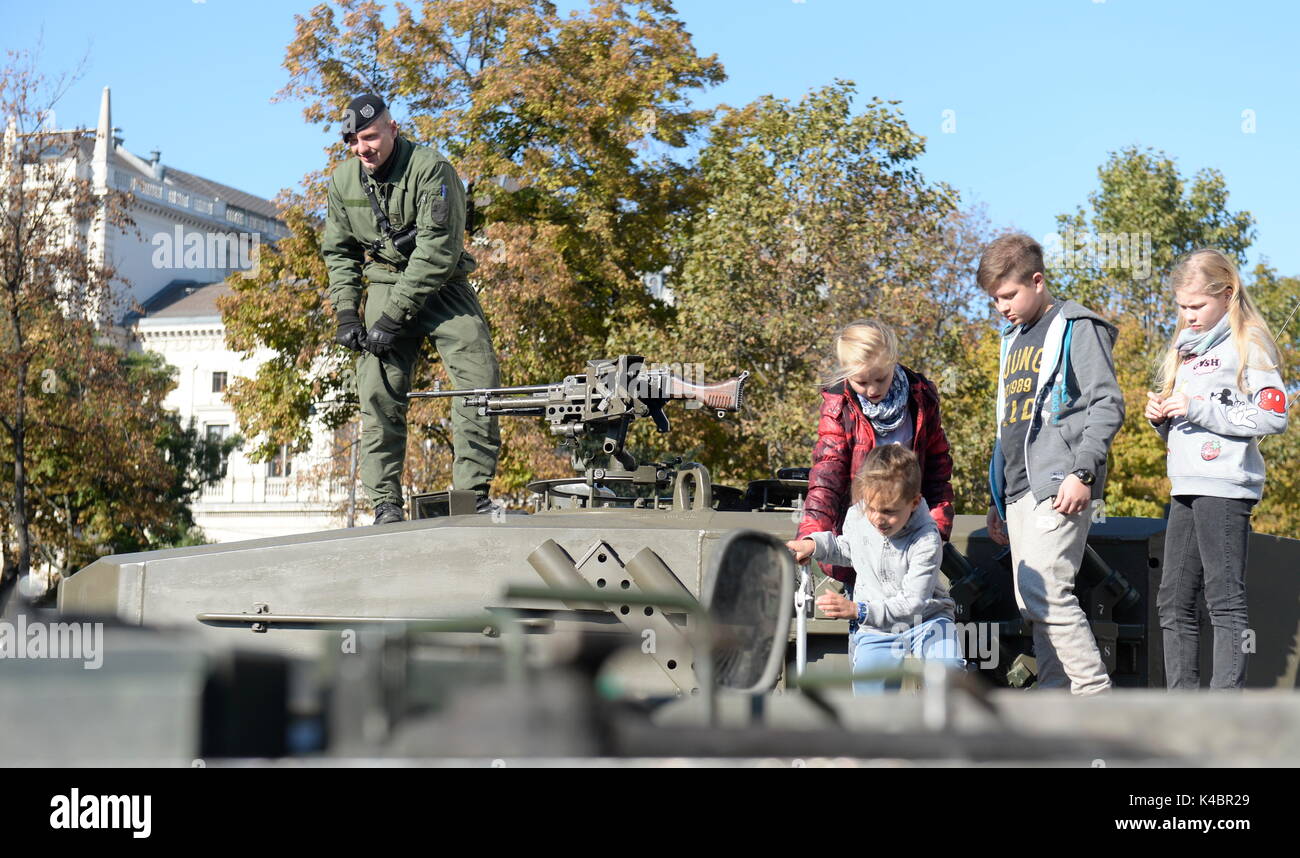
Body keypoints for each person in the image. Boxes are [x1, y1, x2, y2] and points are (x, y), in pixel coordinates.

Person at [322, 94, 500, 525]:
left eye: (370, 136)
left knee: (479, 382)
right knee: (378, 392)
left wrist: (391, 318)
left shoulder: (431, 169)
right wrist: (347, 312)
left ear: (392, 129)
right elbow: (339, 252)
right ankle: (385, 503)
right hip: (384, 283)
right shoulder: (343, 182)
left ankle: (471, 496)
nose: (363, 148)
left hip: (443, 287)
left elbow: (437, 252)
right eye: (353, 141)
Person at [982, 233, 1123, 695]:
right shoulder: (1013, 338)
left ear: (1037, 281)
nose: (1001, 306)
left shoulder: (1077, 326)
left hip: (1061, 481)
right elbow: (1011, 422)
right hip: (1019, 490)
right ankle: (1054, 707)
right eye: (994, 299)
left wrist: (1084, 472)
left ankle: (1093, 697)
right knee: (1031, 601)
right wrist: (998, 498)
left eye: (1008, 295)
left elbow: (1106, 403)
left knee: (1047, 592)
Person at [1147, 249, 1288, 689]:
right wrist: (1162, 419)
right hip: (1185, 484)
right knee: (1172, 601)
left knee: (1223, 601)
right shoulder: (1185, 350)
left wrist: (1198, 407)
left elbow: (1272, 417)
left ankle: (1222, 708)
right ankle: (1182, 710)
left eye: (1196, 306)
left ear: (1227, 295)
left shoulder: (1251, 341)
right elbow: (1188, 427)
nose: (1187, 315)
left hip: (1226, 486)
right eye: (1181, 306)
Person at [795, 319, 955, 593]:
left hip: (911, 532)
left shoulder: (921, 398)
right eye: (861, 382)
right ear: (847, 375)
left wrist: (937, 529)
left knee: (914, 612)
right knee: (866, 618)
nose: (872, 390)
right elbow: (827, 478)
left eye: (881, 378)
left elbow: (937, 470)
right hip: (864, 530)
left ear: (893, 361)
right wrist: (811, 535)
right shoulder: (839, 408)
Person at [788, 445, 963, 694]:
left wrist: (858, 610)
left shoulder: (926, 538)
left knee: (949, 673)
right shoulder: (858, 516)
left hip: (927, 619)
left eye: (889, 511)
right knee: (870, 689)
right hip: (877, 628)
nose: (878, 518)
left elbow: (913, 603)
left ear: (913, 502)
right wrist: (813, 544)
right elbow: (848, 548)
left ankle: (947, 728)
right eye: (870, 508)